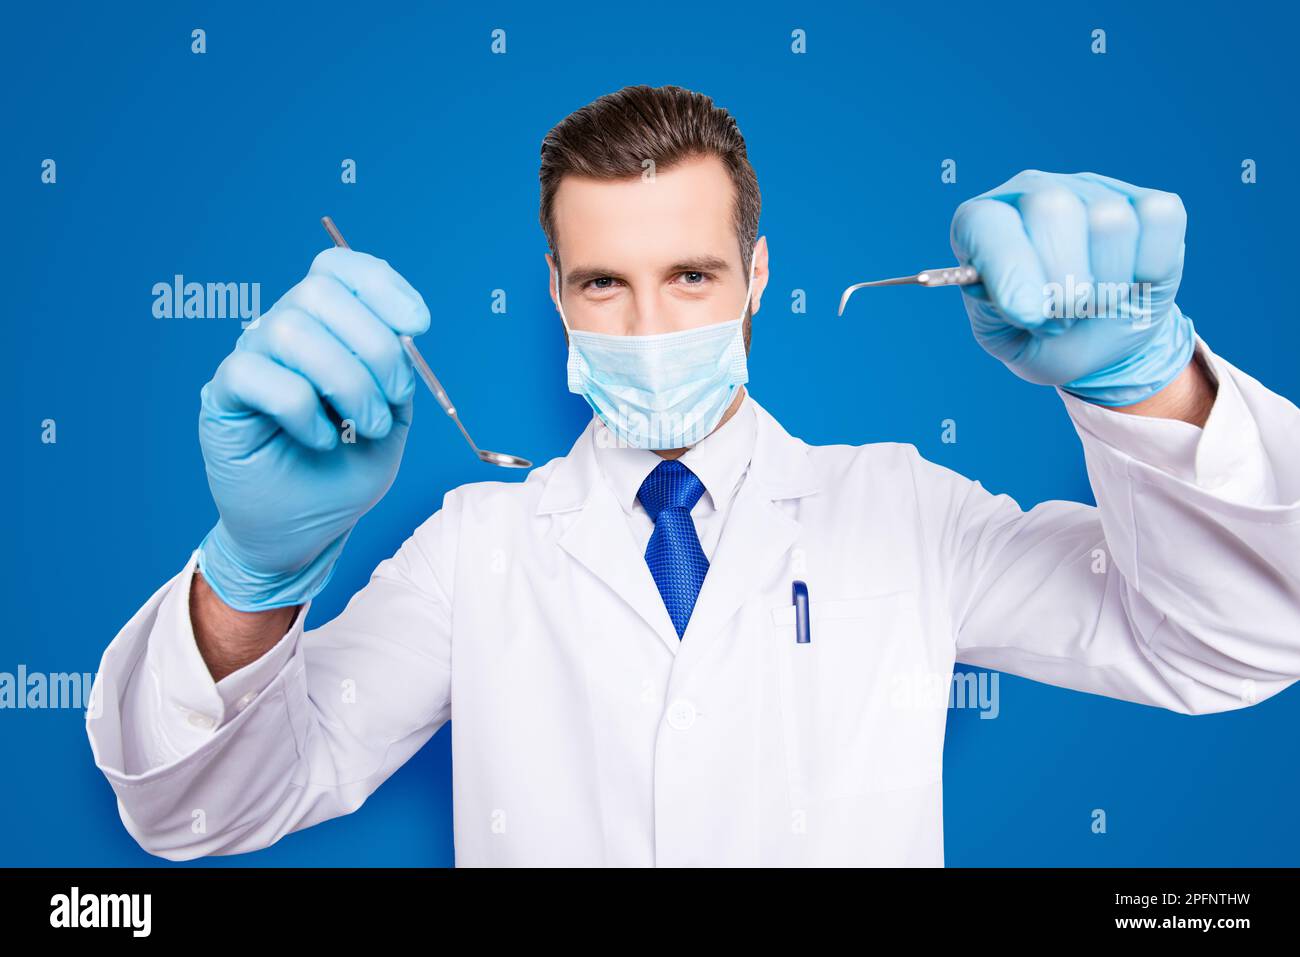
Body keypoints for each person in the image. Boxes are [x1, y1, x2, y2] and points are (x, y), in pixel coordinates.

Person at [85, 84, 1300, 866]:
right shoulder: (478, 545)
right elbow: (203, 810)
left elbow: (1229, 647)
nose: (650, 324)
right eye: (604, 283)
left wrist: (1147, 384)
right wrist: (251, 580)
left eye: (692, 278)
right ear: (555, 292)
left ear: (756, 276)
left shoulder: (906, 513)